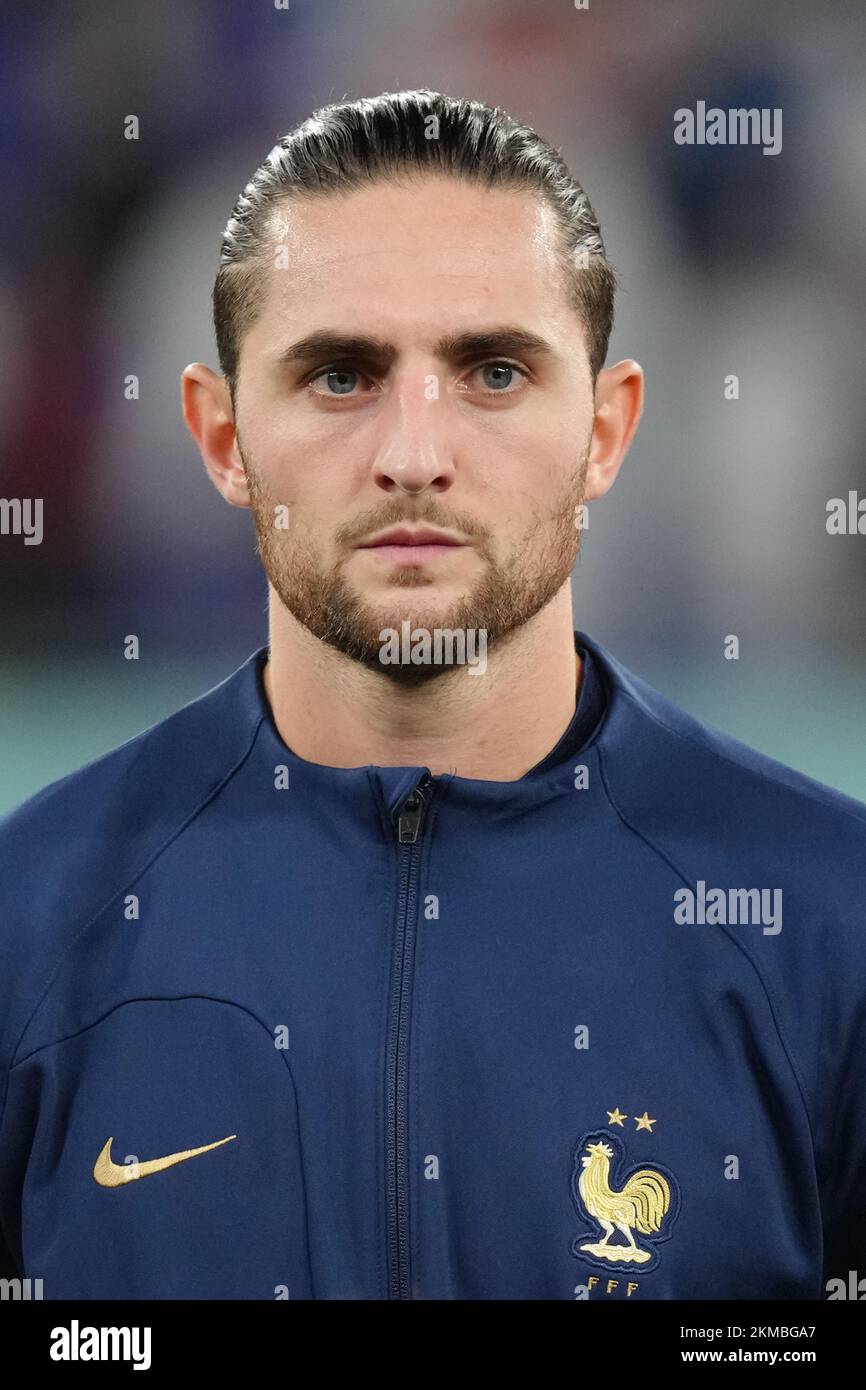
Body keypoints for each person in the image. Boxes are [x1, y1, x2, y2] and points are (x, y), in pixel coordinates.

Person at [1, 89, 864, 1301]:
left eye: (494, 371)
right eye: (341, 375)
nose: (414, 451)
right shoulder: (29, 926)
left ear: (605, 430)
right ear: (221, 436)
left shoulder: (830, 922)